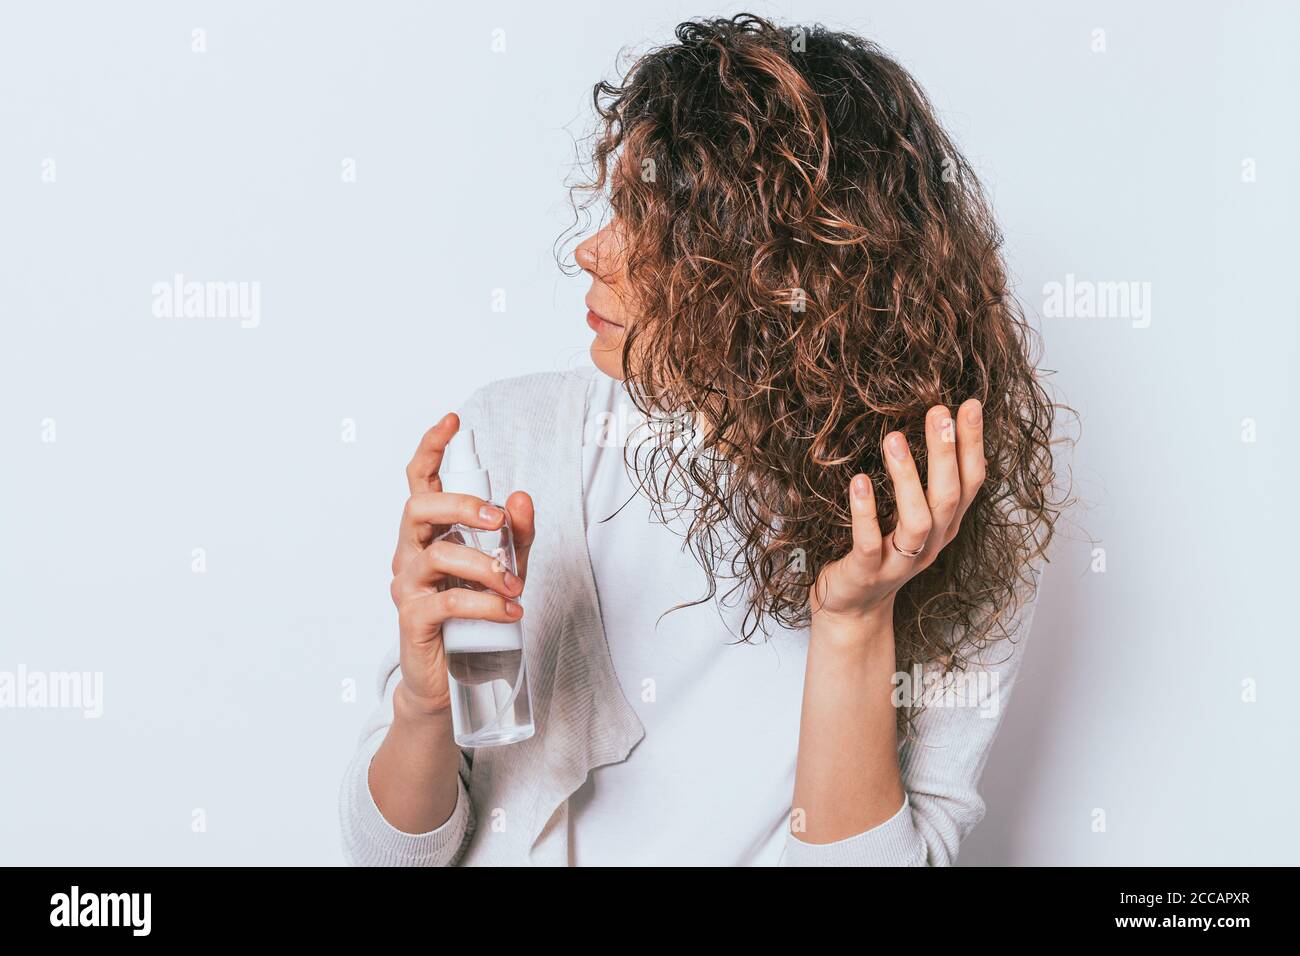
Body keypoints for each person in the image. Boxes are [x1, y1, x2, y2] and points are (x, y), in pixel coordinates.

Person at [340, 14, 1064, 866]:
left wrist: (855, 624)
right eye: (616, 207)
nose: (589, 252)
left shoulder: (948, 527)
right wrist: (425, 706)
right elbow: (388, 858)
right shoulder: (512, 438)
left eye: (653, 226)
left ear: (779, 271)